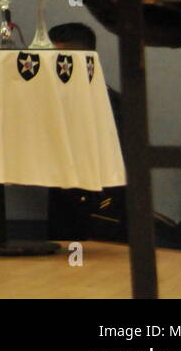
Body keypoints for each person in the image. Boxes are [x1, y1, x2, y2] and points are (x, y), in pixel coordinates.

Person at [45, 22, 127, 241]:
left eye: (56, 60)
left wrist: (104, 219)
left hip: (101, 220)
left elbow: (117, 172)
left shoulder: (112, 107)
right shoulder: (56, 104)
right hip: (63, 220)